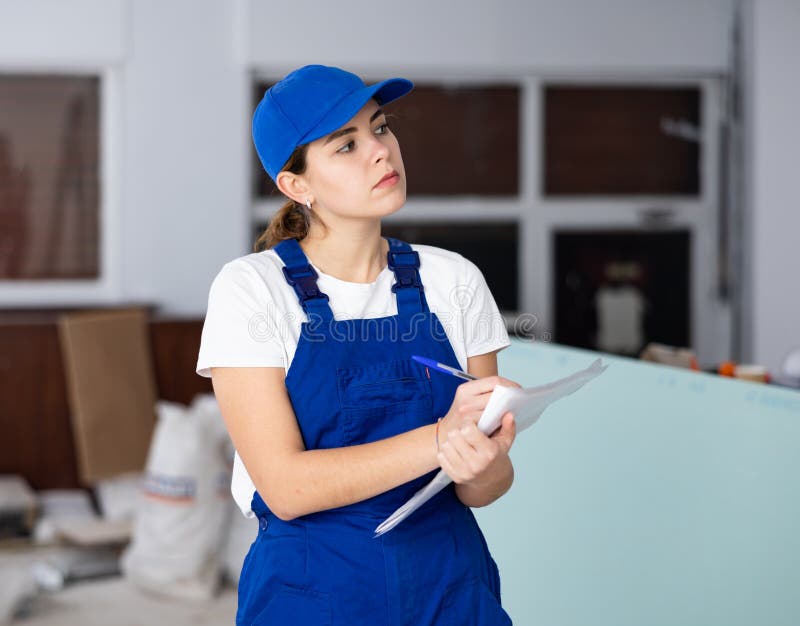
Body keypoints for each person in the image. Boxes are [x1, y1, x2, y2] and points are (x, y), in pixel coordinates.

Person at [196, 64, 520, 625]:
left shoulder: (455, 280)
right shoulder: (252, 290)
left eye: (380, 127)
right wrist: (442, 440)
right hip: (313, 590)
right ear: (297, 186)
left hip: (450, 583)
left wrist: (484, 461)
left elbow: (482, 490)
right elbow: (287, 487)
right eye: (345, 146)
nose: (380, 151)